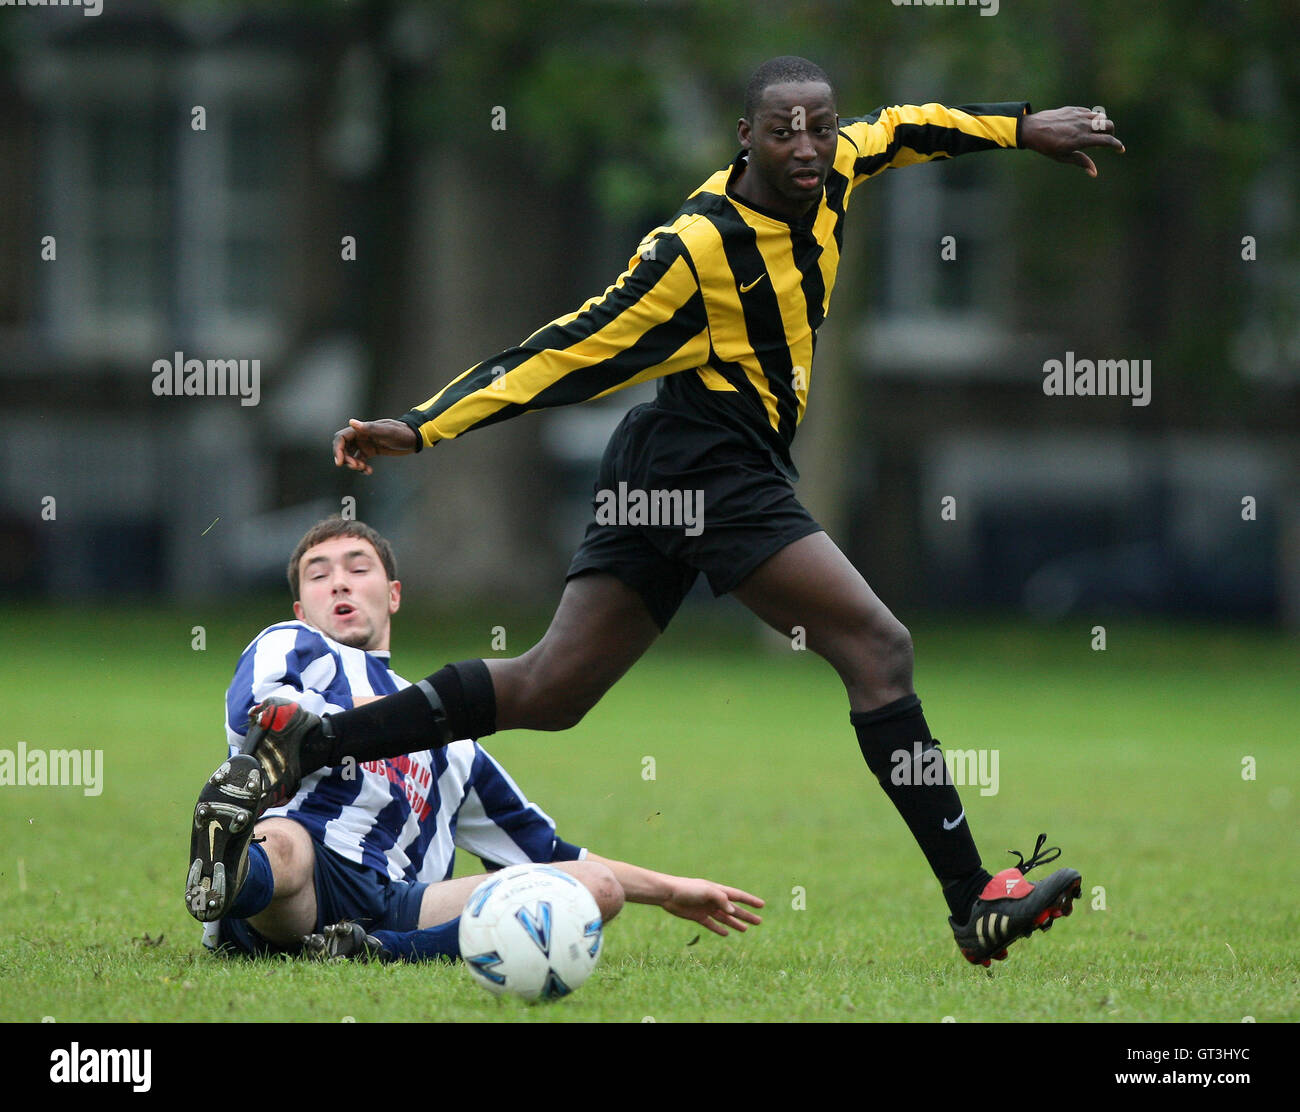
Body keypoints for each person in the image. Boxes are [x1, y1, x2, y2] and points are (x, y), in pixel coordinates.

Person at [258, 57, 1126, 967]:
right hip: (708, 470)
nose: (807, 146)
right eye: (782, 130)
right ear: (743, 137)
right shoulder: (694, 249)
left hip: (682, 467)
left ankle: (313, 745)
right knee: (879, 647)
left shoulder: (835, 174)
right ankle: (974, 899)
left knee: (554, 691)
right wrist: (423, 425)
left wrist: (1022, 129)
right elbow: (569, 349)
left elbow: (907, 125)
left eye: (821, 127)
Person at [184, 516, 764, 962]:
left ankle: (376, 952)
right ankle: (232, 877)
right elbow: (261, 721)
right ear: (300, 605)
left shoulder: (453, 740)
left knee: (594, 889)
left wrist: (667, 890)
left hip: (396, 907)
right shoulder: (294, 645)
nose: (339, 581)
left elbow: (548, 854)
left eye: (359, 568)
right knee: (283, 844)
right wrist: (388, 717)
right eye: (319, 573)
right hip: (304, 865)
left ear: (393, 594)